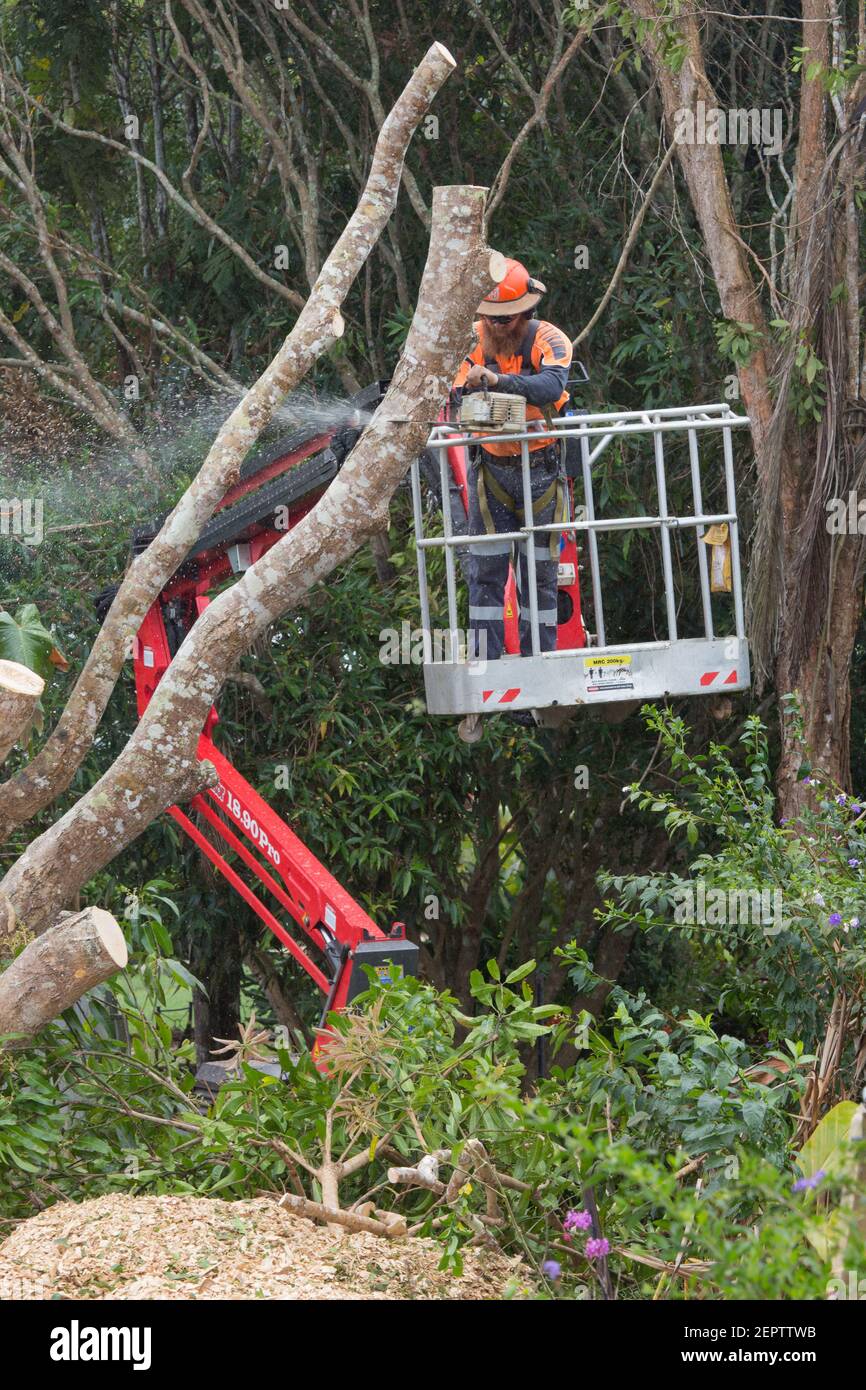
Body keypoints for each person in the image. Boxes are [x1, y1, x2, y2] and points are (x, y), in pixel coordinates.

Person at [452, 257, 572, 665]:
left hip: (540, 468)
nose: (496, 326)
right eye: (490, 318)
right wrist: (468, 392)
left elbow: (550, 385)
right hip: (492, 472)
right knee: (484, 572)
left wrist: (500, 382)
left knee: (538, 574)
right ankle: (486, 662)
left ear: (525, 312)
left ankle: (539, 662)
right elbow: (454, 397)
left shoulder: (549, 339)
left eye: (504, 319)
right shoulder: (468, 341)